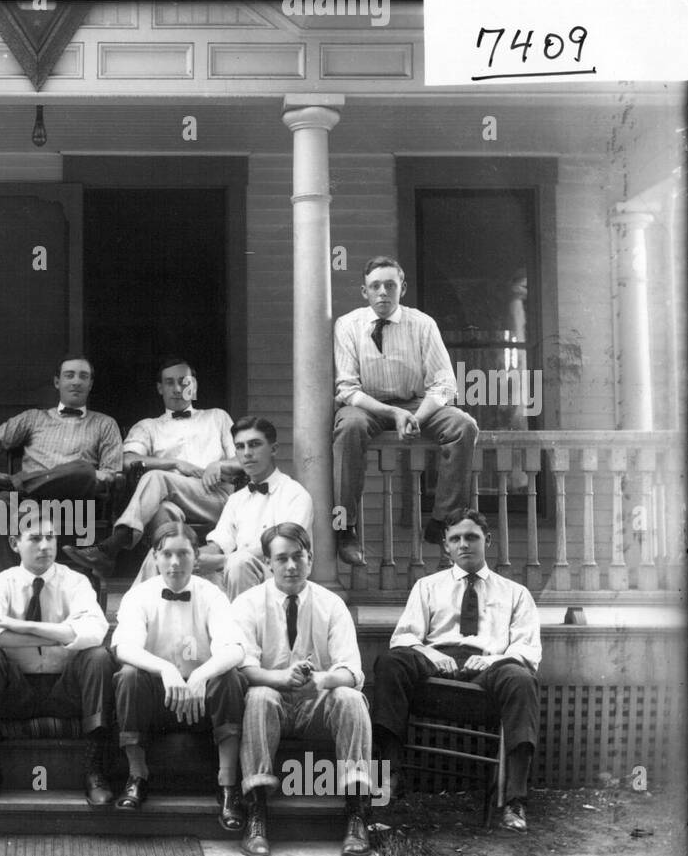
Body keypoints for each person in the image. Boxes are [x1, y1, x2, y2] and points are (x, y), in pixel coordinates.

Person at [372, 509, 541, 831]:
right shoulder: (427, 586)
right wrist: (430, 653)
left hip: (489, 672)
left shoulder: (516, 593)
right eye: (455, 539)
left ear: (487, 541)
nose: (464, 544)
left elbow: (527, 650)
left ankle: (515, 800)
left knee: (522, 679)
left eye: (472, 537)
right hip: (433, 671)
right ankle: (391, 775)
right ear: (446, 546)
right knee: (391, 662)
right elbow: (404, 636)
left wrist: (492, 660)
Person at [231, 522, 374, 856]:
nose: (291, 566)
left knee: (350, 698)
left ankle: (357, 812)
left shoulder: (331, 604)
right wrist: (280, 678)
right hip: (272, 703)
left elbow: (352, 670)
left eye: (299, 557)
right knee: (258, 695)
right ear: (268, 563)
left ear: (311, 559)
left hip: (317, 706)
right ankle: (256, 812)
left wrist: (322, 680)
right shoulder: (248, 603)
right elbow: (242, 665)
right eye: (282, 559)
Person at [333, 256, 477, 566]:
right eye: (375, 286)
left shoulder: (422, 324)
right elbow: (347, 389)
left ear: (402, 288)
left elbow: (444, 384)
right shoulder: (347, 325)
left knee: (463, 426)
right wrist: (393, 414)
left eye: (390, 285)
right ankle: (344, 527)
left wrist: (416, 416)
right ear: (364, 291)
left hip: (415, 403)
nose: (382, 292)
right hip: (368, 406)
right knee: (348, 428)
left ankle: (443, 521)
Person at [0, 512, 115, 807]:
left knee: (98, 657)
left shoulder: (75, 582)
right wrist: (60, 635)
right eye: (34, 538)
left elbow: (95, 632)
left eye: (51, 538)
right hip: (16, 689)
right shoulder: (0, 583)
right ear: (14, 543)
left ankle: (94, 773)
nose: (45, 546)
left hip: (66, 689)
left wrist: (23, 627)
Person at [109, 524, 246, 824]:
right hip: (159, 700)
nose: (174, 562)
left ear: (196, 557)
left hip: (201, 702)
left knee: (230, 678)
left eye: (183, 553)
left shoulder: (212, 595)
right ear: (155, 557)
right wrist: (166, 668)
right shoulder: (139, 596)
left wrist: (199, 676)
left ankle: (228, 785)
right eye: (167, 554)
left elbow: (235, 649)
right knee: (129, 676)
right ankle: (137, 775)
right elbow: (123, 648)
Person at [63, 358, 239, 579]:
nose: (177, 389)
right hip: (169, 502)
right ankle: (174, 584)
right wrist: (174, 463)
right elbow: (126, 460)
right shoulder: (148, 426)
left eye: (184, 382)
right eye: (169, 382)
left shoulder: (217, 417)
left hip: (214, 498)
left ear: (194, 385)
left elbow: (243, 459)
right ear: (160, 388)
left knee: (156, 478)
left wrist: (219, 464)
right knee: (162, 512)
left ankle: (113, 545)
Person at [0, 355, 122, 577]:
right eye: (69, 375)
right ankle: (3, 590)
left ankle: (12, 484)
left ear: (90, 384)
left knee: (83, 469)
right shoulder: (34, 418)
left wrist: (88, 474)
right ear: (57, 382)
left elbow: (111, 474)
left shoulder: (105, 423)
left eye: (84, 376)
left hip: (76, 505)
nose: (76, 381)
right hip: (28, 504)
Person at [196, 416, 314, 600]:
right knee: (169, 558)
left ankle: (241, 628)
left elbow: (282, 549)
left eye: (254, 444)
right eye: (240, 447)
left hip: (282, 582)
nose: (247, 453)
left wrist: (222, 560)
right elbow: (219, 544)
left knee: (238, 562)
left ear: (273, 449)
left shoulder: (295, 495)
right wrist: (192, 556)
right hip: (238, 579)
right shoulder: (236, 499)